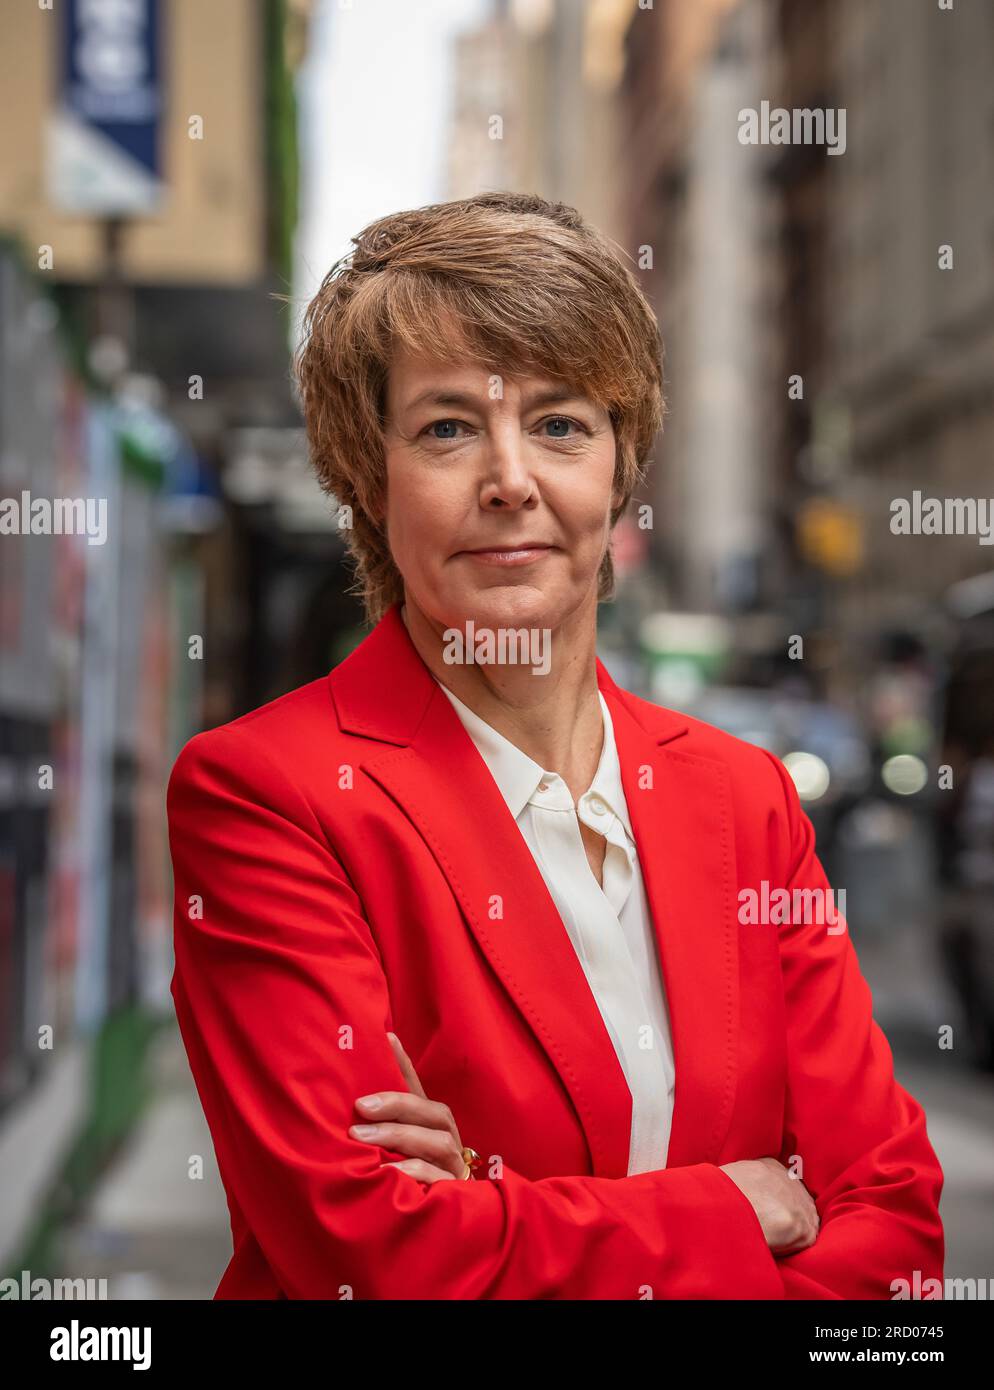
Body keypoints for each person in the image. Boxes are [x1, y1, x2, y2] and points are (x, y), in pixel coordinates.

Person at [166, 191, 944, 1299]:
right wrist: (727, 1204)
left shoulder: (746, 801)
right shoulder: (270, 793)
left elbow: (899, 1240)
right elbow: (371, 1255)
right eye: (445, 427)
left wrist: (488, 1208)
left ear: (620, 469)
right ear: (363, 474)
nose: (510, 478)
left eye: (560, 423)